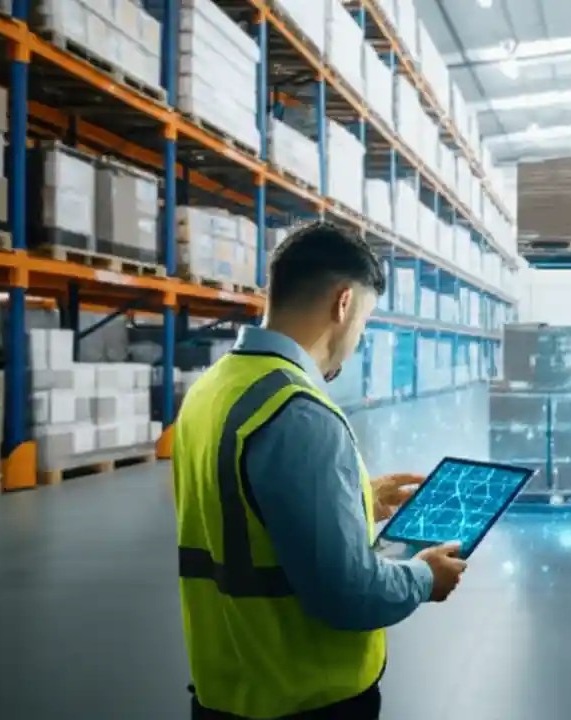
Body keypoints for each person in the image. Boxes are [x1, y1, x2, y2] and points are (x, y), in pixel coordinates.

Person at [173, 222, 468, 719]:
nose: (358, 338)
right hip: (306, 696)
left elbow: (241, 513)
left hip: (227, 689)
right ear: (344, 303)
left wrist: (356, 500)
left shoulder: (213, 388)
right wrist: (423, 578)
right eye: (365, 320)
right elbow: (346, 592)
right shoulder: (299, 410)